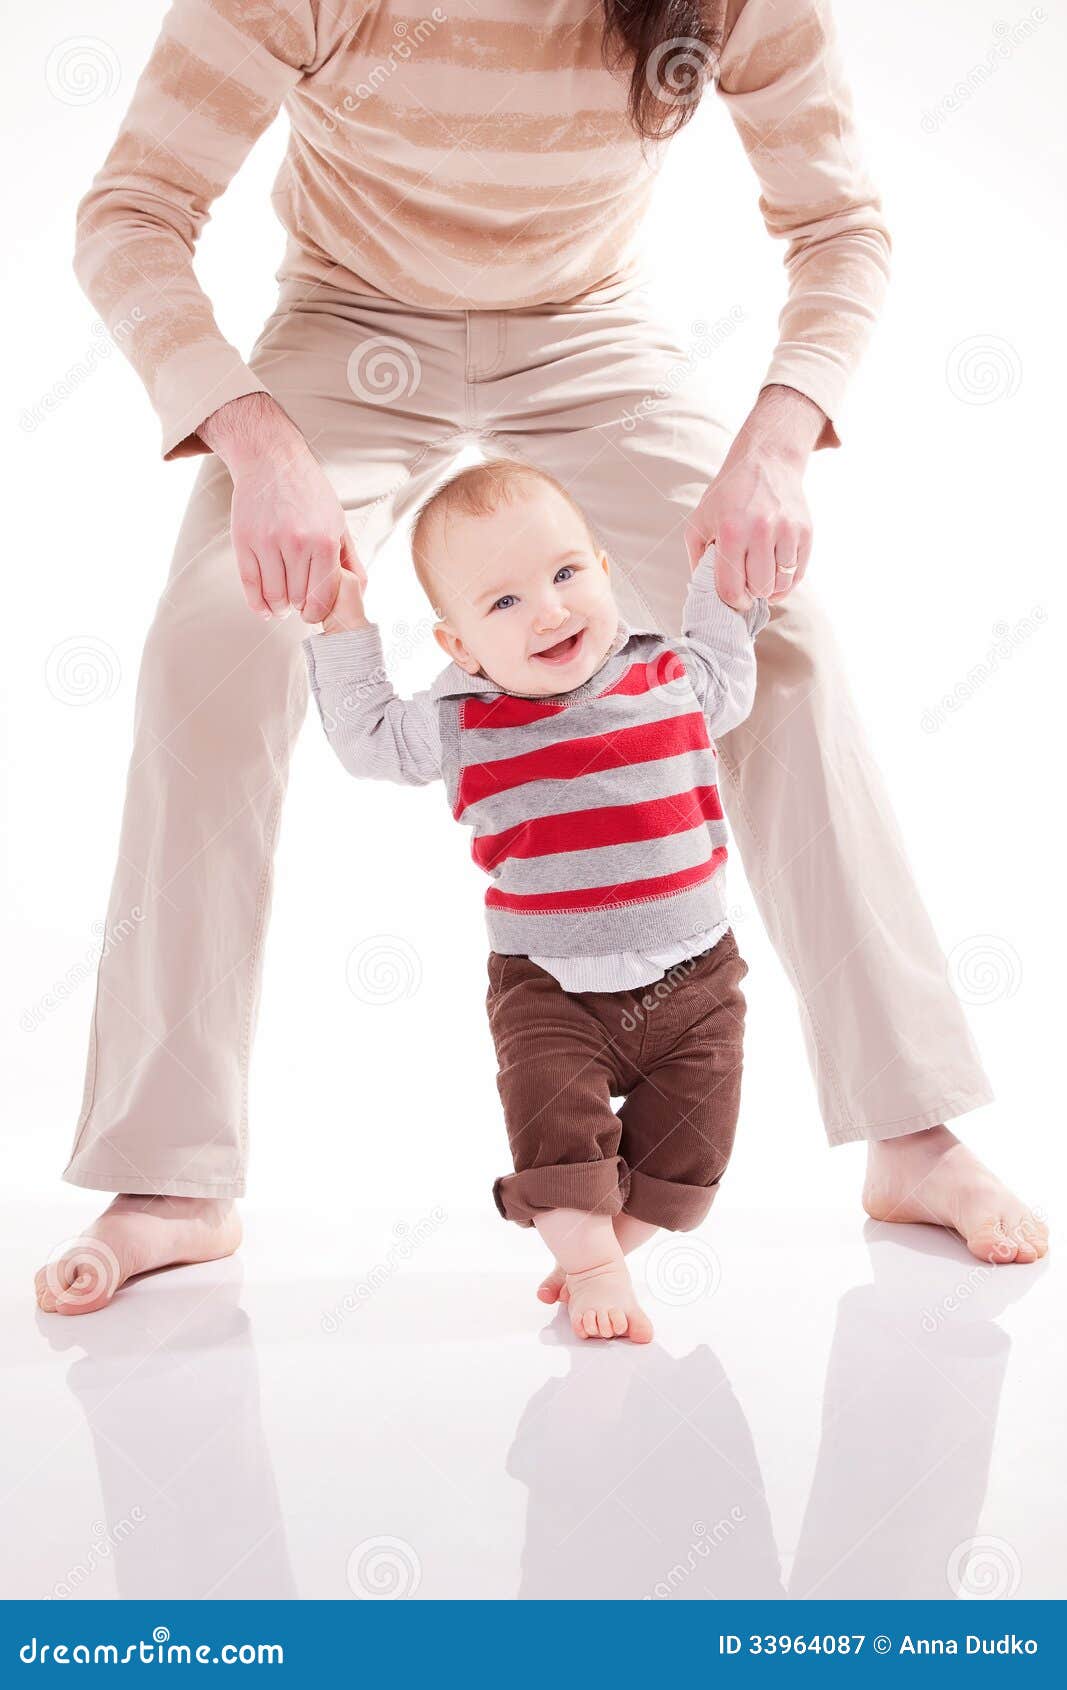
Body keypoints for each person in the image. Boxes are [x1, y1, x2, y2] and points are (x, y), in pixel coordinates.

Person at [36, 0, 1045, 1318]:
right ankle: (171, 1173)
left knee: (774, 628)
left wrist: (776, 439)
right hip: (347, 333)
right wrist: (254, 440)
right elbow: (131, 210)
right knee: (216, 631)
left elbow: (839, 224)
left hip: (589, 333)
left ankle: (909, 1132)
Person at [304, 457, 768, 1341]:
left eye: (564, 574)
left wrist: (721, 568)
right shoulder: (460, 722)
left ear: (602, 566)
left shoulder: (668, 672)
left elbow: (731, 667)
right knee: (556, 1138)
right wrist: (342, 619)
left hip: (697, 980)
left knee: (690, 1162)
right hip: (549, 991)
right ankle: (592, 1266)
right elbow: (364, 739)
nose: (550, 610)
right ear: (459, 646)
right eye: (504, 602)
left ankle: (595, 1251)